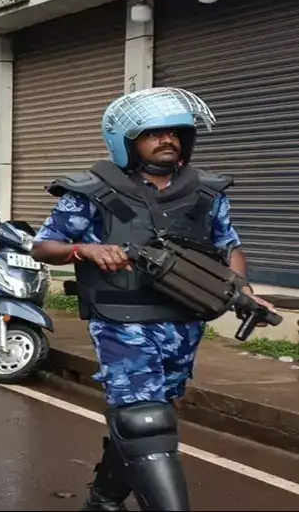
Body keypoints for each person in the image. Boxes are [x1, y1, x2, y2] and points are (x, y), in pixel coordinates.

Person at [30, 87, 278, 512]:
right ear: (127, 141)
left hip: (184, 321)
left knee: (149, 419)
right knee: (145, 421)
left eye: (174, 133)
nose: (167, 140)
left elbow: (230, 246)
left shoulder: (207, 192)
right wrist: (85, 250)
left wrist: (242, 289)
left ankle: (104, 500)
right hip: (120, 320)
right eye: (153, 134)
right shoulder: (91, 191)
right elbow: (44, 247)